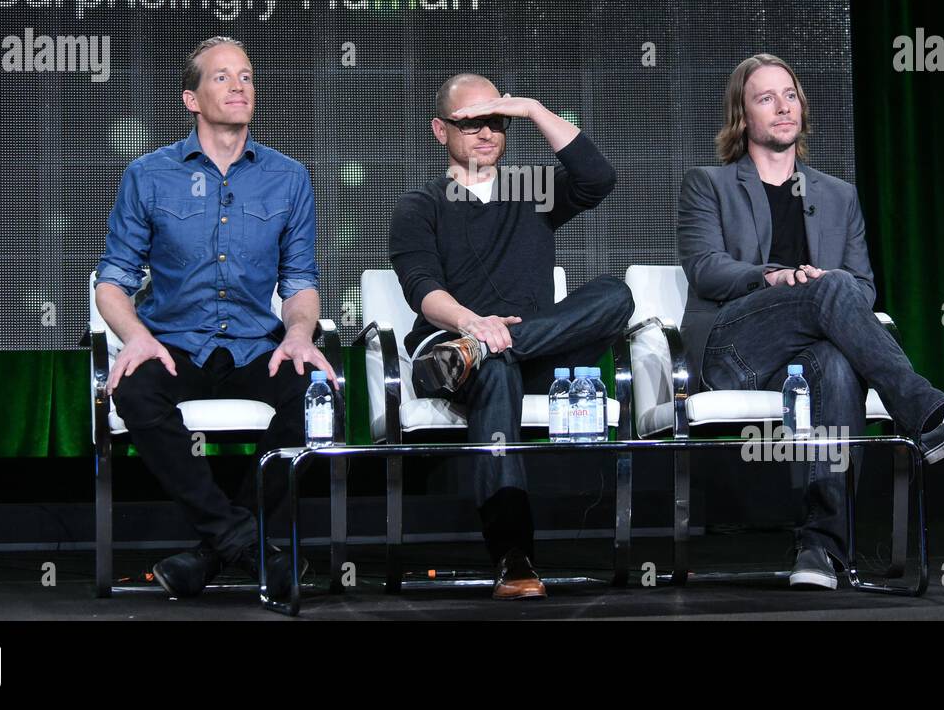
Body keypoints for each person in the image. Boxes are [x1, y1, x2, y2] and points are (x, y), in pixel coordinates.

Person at [677, 53, 944, 589]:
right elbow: (706, 269)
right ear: (742, 115)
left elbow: (863, 287)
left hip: (809, 351)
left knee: (836, 362)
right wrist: (777, 277)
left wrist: (820, 286)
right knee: (828, 287)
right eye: (766, 98)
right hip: (737, 349)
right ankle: (930, 416)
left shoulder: (839, 195)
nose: (782, 106)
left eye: (790, 94)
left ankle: (819, 549)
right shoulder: (708, 184)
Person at [94, 35, 335, 599]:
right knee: (133, 391)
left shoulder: (289, 177)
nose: (239, 86)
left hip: (255, 342)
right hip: (175, 342)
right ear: (191, 99)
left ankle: (212, 551)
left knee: (319, 392)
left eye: (247, 76)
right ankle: (245, 544)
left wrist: (299, 332)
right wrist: (134, 338)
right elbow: (113, 281)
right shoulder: (148, 175)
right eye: (222, 77)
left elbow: (299, 283)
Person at [388, 74, 634, 599]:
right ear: (440, 130)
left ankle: (490, 348)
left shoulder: (531, 189)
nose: (486, 133)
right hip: (452, 349)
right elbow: (421, 288)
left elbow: (598, 178)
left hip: (530, 351)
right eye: (471, 121)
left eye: (497, 122)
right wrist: (471, 326)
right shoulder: (420, 203)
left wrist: (535, 110)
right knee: (496, 368)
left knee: (616, 294)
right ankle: (513, 554)